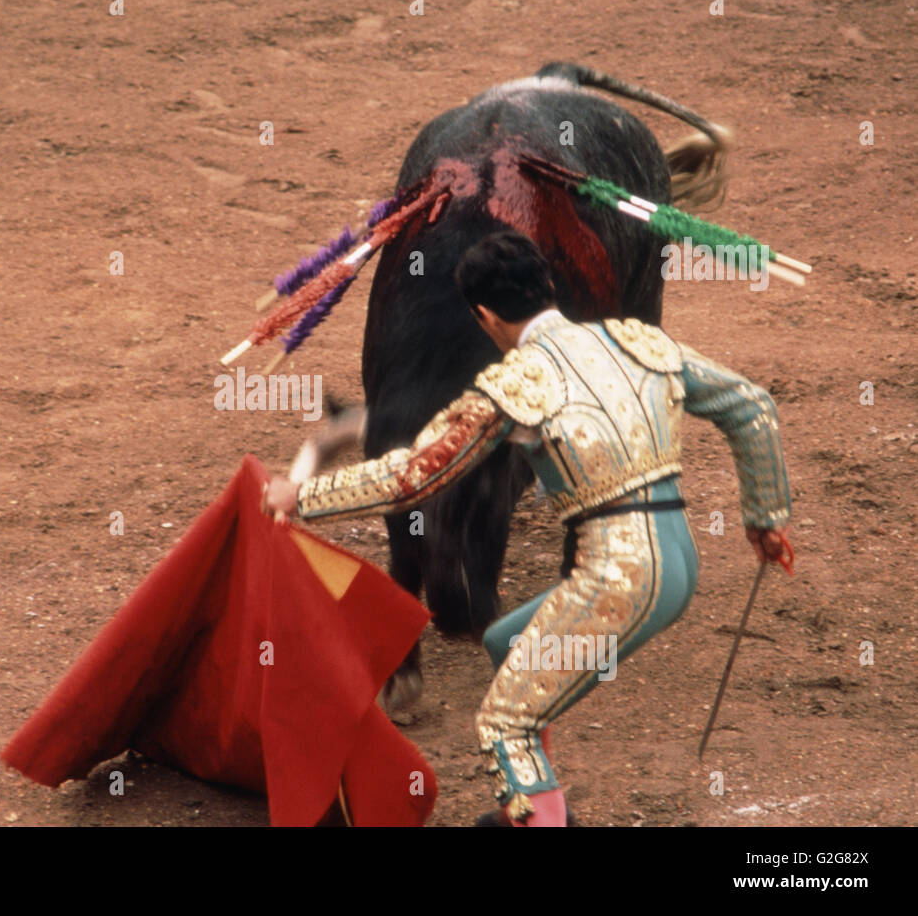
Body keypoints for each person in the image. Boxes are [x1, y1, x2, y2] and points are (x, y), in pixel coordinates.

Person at [262, 230, 793, 827]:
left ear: (485, 316)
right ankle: (547, 810)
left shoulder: (517, 386)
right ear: (547, 286)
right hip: (679, 560)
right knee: (506, 642)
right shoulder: (637, 339)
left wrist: (301, 494)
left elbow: (412, 476)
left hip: (619, 578)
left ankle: (540, 819)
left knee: (504, 723)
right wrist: (766, 520)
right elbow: (751, 405)